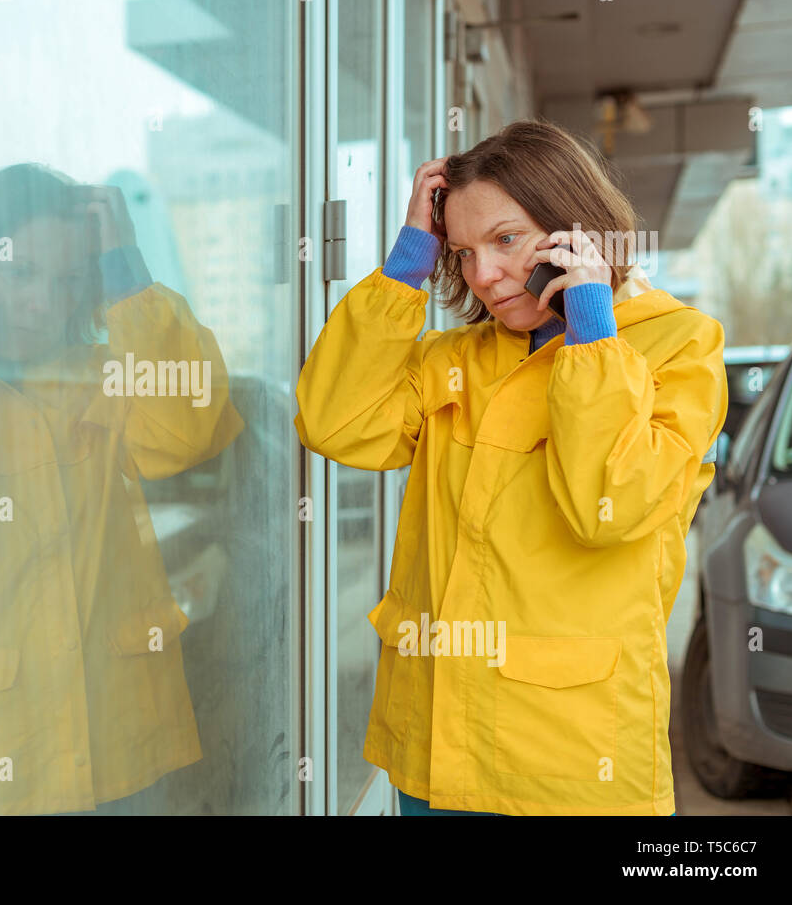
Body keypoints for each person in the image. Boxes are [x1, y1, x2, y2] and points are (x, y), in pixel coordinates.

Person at [295, 119, 726, 815]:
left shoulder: (680, 346)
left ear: (576, 231)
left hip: (564, 762)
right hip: (433, 744)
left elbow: (606, 506)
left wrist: (590, 334)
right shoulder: (457, 359)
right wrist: (406, 264)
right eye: (461, 252)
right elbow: (334, 421)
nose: (483, 276)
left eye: (504, 240)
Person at [0, 163, 243, 814]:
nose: (44, 302)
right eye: (21, 274)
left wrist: (127, 271)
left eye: (69, 280)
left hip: (119, 747)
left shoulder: (104, 374)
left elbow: (186, 429)